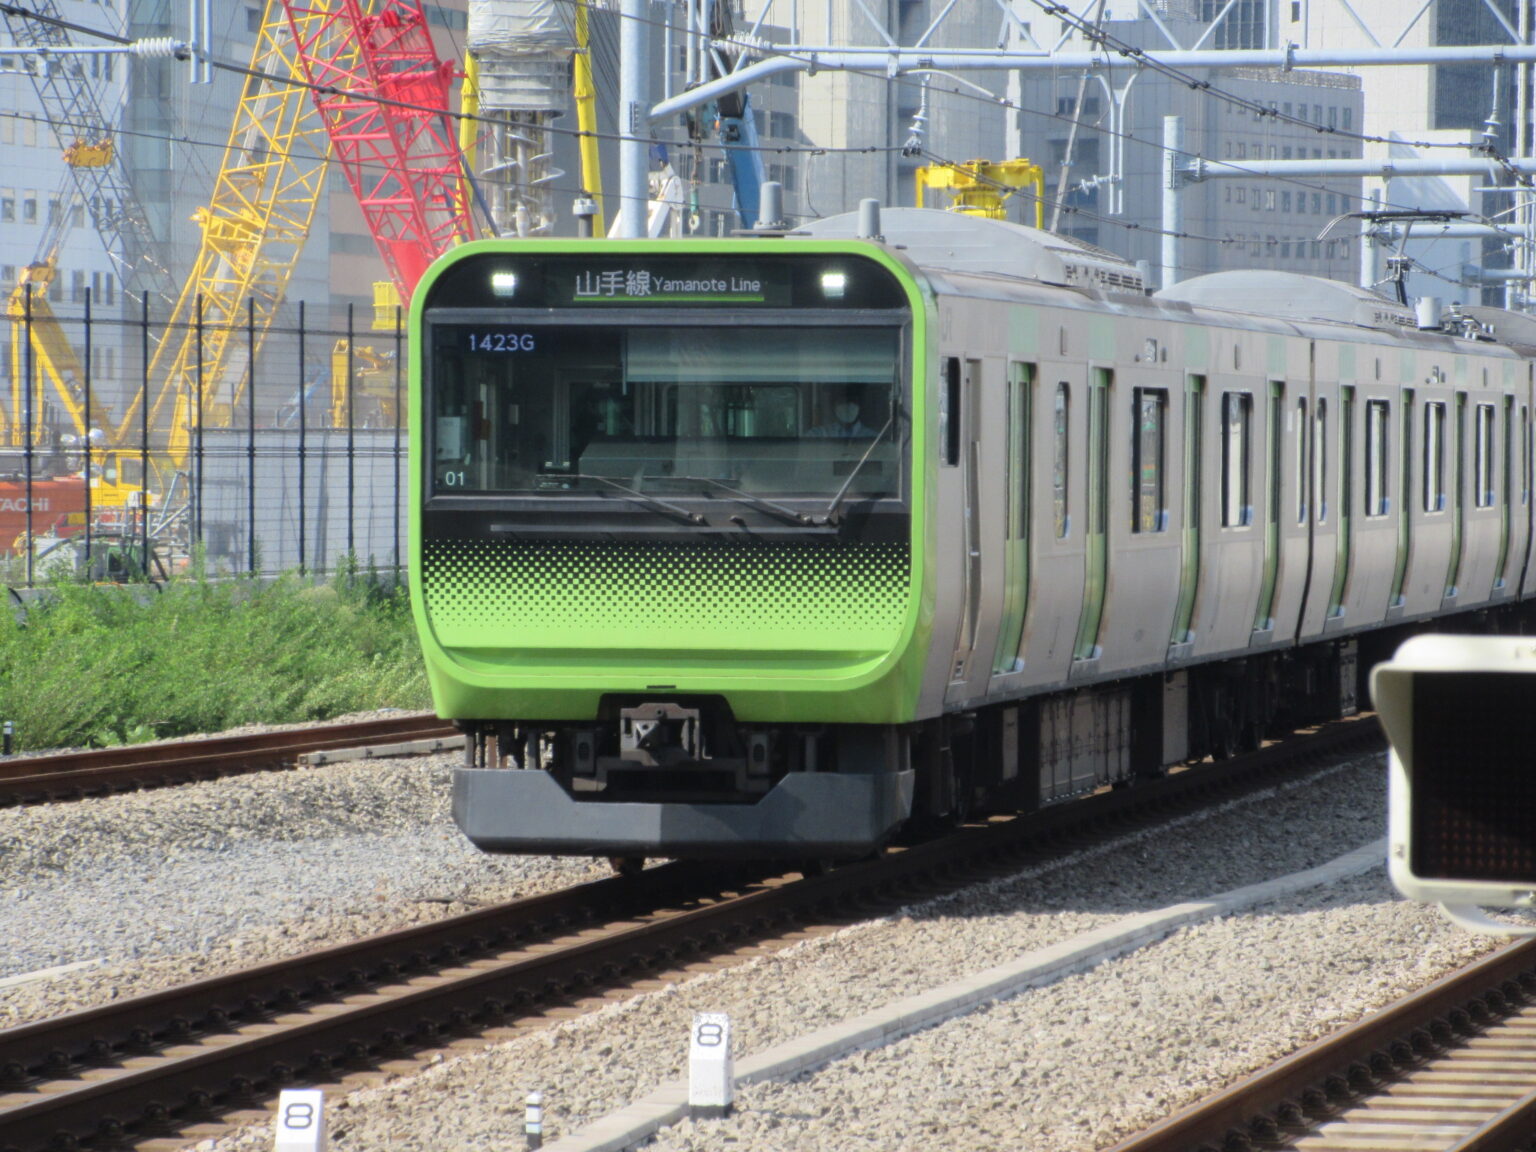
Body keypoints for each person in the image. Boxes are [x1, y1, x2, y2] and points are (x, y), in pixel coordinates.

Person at [808, 392, 877, 438]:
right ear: (834, 407)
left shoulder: (874, 437)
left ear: (860, 407)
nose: (847, 406)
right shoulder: (819, 434)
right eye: (842, 402)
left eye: (852, 402)